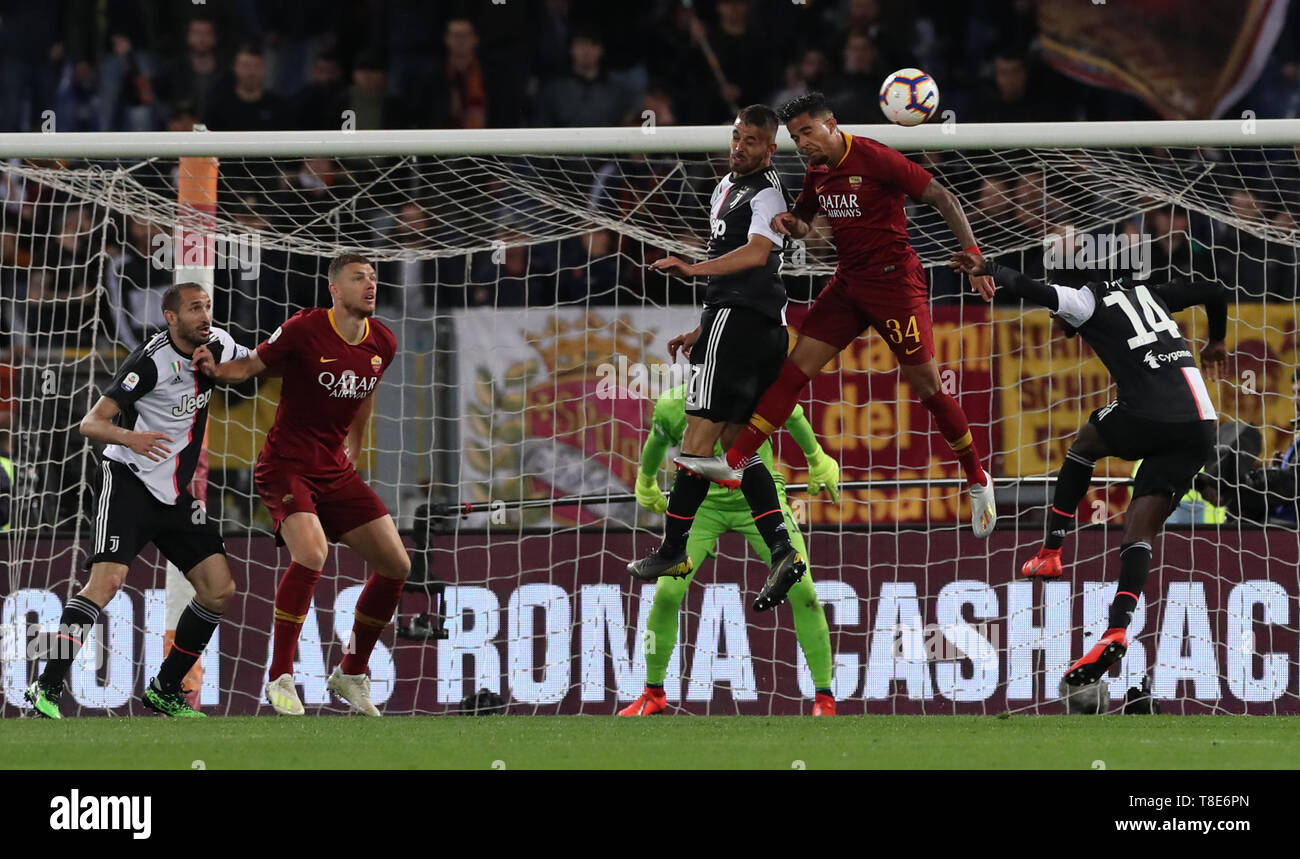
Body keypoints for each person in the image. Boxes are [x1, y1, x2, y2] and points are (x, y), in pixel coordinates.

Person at [685, 92, 999, 539]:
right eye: (795, 137)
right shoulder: (816, 171)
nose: (802, 143)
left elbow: (943, 197)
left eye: (807, 132)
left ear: (832, 124)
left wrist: (973, 254)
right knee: (793, 374)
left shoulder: (875, 157)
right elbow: (806, 220)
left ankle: (976, 477)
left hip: (895, 288)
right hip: (848, 285)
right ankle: (733, 464)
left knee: (928, 390)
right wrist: (792, 224)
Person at [949, 253, 1228, 689]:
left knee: (1084, 446)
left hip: (1152, 413)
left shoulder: (1084, 299)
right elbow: (1213, 287)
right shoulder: (1151, 293)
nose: (1059, 324)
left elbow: (1031, 288)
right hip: (1200, 424)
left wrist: (991, 270)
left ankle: (1051, 552)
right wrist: (1217, 342)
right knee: (1139, 533)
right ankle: (1117, 629)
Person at [194, 253, 407, 717]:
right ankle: (280, 676)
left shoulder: (383, 341)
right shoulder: (303, 329)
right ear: (335, 289)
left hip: (335, 469)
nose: (369, 284)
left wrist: (356, 443)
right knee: (312, 554)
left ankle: (350, 673)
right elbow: (251, 366)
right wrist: (214, 370)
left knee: (395, 564)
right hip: (286, 466)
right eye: (358, 278)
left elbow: (364, 393)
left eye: (373, 277)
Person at [25, 283, 246, 718]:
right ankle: (45, 687)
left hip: (174, 494)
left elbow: (257, 364)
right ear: (171, 317)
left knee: (219, 590)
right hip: (128, 480)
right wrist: (134, 438)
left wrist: (222, 370)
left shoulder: (217, 342)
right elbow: (92, 423)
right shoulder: (149, 362)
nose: (205, 316)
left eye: (207, 307)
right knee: (105, 584)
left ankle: (165, 688)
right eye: (194, 309)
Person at [626, 105, 809, 613]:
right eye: (737, 136)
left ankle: (673, 549)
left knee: (697, 439)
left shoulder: (769, 190)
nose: (740, 146)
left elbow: (755, 256)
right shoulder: (726, 187)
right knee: (733, 442)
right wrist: (703, 328)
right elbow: (740, 276)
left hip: (742, 323)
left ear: (771, 148)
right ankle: (781, 548)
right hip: (741, 324)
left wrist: (692, 269)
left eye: (752, 141)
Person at [622, 383, 840, 716]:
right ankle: (653, 694)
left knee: (804, 590)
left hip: (760, 503)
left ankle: (824, 700)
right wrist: (646, 480)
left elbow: (794, 415)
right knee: (666, 593)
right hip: (703, 508)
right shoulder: (674, 404)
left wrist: (817, 459)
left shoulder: (756, 392)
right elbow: (658, 439)